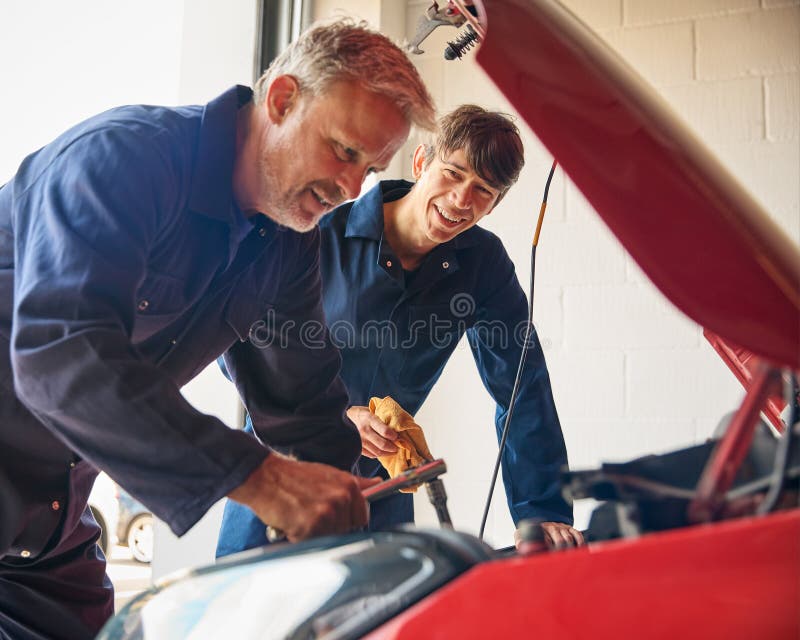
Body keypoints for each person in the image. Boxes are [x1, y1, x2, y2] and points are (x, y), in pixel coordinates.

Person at [0, 18, 434, 640]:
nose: (350, 187)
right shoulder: (122, 160)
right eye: (344, 151)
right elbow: (60, 353)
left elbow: (303, 404)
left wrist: (351, 536)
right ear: (283, 99)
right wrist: (260, 478)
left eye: (370, 168)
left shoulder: (286, 244)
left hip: (46, 522)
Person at [216, 105, 583, 559]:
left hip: (382, 488)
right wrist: (337, 415)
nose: (461, 200)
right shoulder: (320, 234)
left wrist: (544, 510)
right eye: (453, 174)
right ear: (421, 161)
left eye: (484, 191)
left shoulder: (483, 266)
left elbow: (522, 385)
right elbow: (235, 344)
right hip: (281, 472)